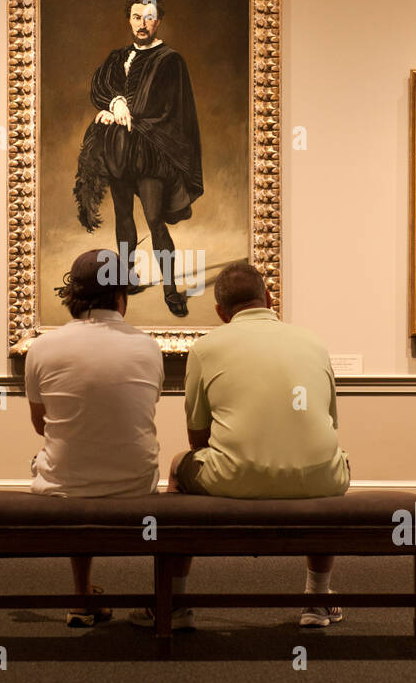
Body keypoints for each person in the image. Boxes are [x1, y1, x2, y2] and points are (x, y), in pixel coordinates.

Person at [134, 261, 351, 631]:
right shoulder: (314, 343)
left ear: (220, 312)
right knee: (325, 461)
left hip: (235, 478)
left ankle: (176, 602)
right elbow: (330, 423)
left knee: (177, 464)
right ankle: (317, 599)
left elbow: (197, 440)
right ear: (269, 298)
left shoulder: (205, 348)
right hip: (322, 480)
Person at [25, 249, 163, 627]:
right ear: (121, 297)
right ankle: (163, 598)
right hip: (136, 483)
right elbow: (142, 412)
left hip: (65, 485)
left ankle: (82, 596)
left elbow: (43, 426)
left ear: (75, 296)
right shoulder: (148, 346)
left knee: (63, 463)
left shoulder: (42, 347)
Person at [72, 0, 203, 318]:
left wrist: (126, 111)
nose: (142, 24)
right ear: (129, 20)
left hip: (151, 151)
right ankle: (126, 278)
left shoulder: (170, 60)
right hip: (119, 149)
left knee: (155, 221)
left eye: (148, 18)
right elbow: (100, 88)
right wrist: (114, 105)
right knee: (124, 218)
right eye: (136, 17)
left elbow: (169, 108)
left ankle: (171, 290)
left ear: (158, 21)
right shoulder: (119, 57)